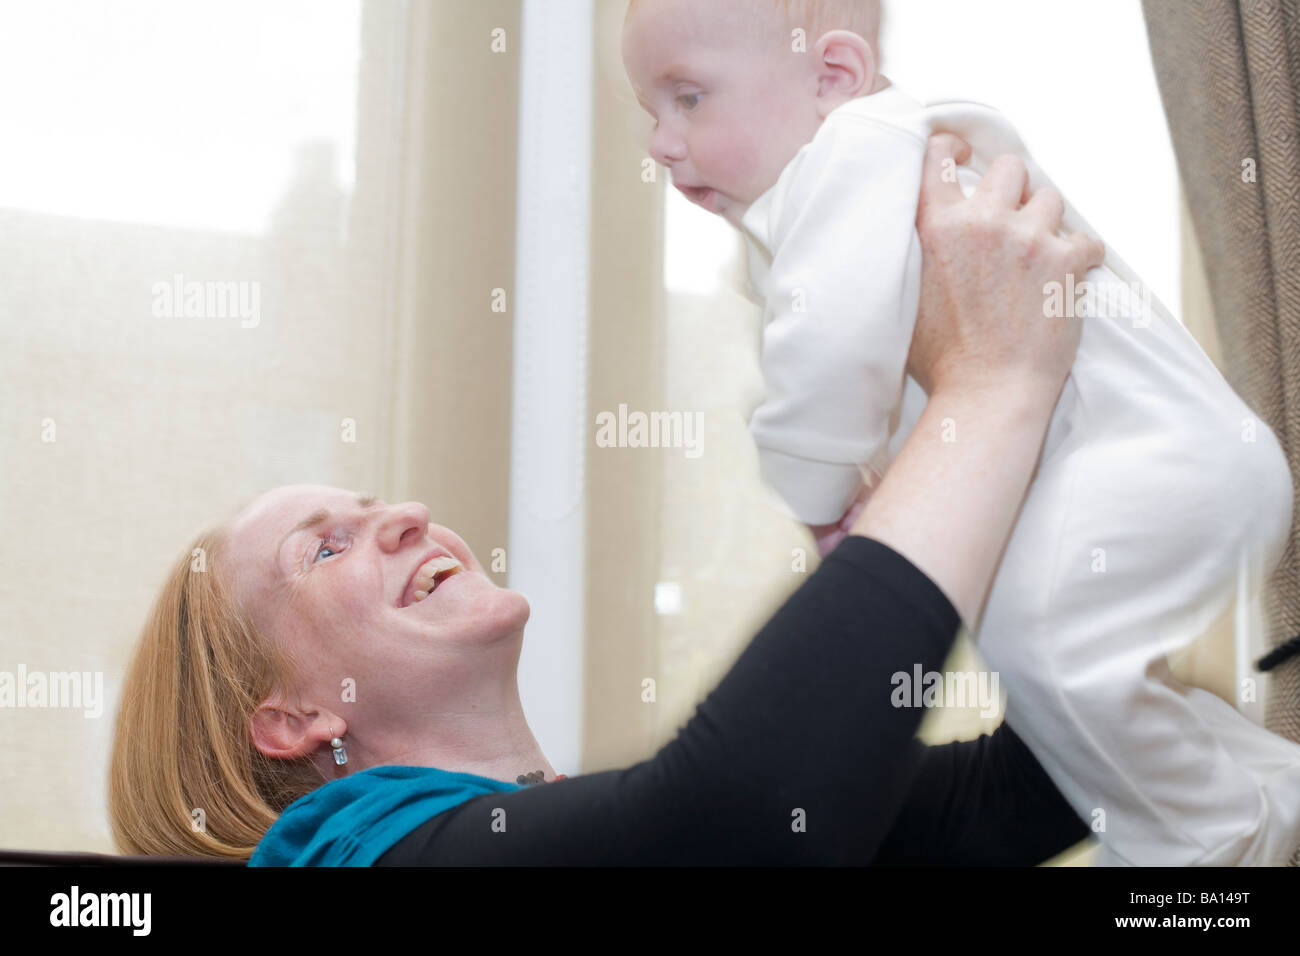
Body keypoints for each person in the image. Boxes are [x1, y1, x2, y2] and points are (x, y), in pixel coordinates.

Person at [109, 134, 1101, 865]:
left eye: (374, 505)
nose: (404, 512)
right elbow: (733, 821)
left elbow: (1043, 780)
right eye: (324, 549)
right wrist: (988, 387)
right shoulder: (353, 859)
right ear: (290, 715)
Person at [621, 0, 1300, 865]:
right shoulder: (837, 191)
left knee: (1042, 641)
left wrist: (815, 491)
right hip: (1171, 470)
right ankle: (1252, 780)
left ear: (832, 76)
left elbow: (827, 348)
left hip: (1164, 467)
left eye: (688, 98)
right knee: (1042, 667)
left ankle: (1211, 845)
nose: (661, 143)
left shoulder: (859, 147)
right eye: (650, 111)